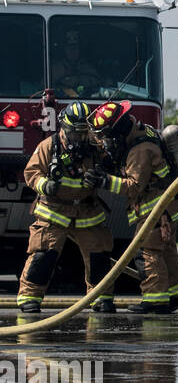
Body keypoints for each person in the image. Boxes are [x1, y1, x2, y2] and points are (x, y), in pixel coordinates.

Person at [87, 100, 178, 314]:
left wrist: (105, 181)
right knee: (167, 250)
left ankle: (155, 300)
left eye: (107, 135)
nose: (106, 141)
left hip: (155, 208)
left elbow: (133, 187)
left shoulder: (139, 150)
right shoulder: (144, 132)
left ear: (119, 130)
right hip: (167, 205)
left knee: (147, 251)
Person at [17, 102, 117, 313]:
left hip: (88, 212)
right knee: (43, 255)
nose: (79, 137)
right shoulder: (48, 146)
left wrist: (101, 176)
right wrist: (45, 185)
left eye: (83, 132)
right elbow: (31, 173)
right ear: (63, 127)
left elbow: (113, 166)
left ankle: (101, 298)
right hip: (54, 211)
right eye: (74, 132)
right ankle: (29, 297)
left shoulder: (95, 147)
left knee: (98, 257)